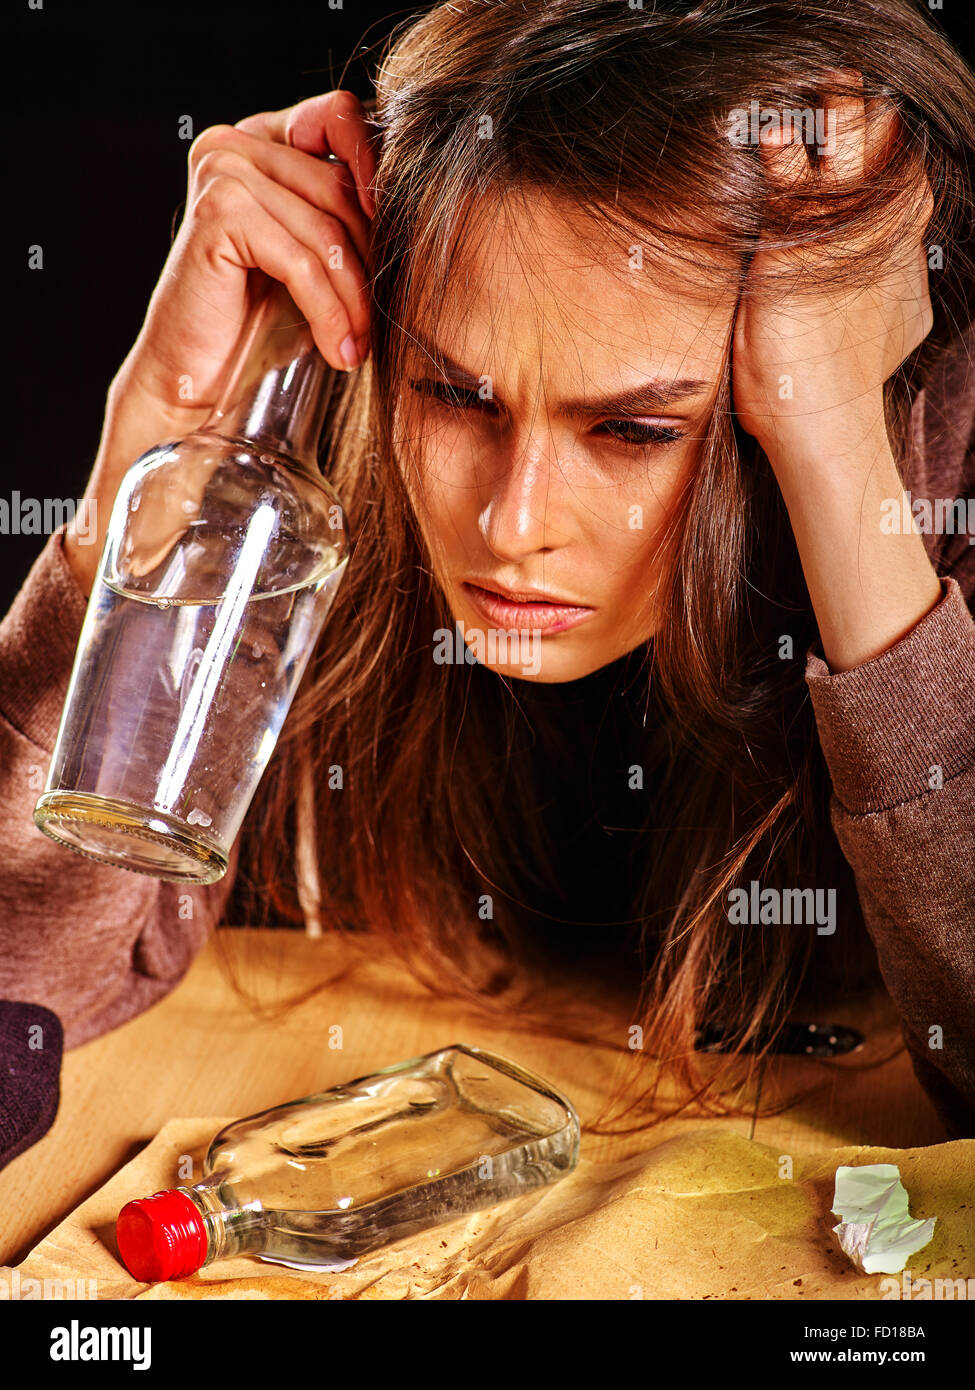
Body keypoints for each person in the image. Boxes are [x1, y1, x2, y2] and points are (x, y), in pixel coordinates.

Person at [2, 0, 974, 1136]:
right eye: (457, 396)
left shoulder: (929, 456)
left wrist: (840, 451)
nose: (512, 523)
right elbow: (26, 988)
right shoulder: (302, 466)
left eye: (636, 432)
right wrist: (161, 461)